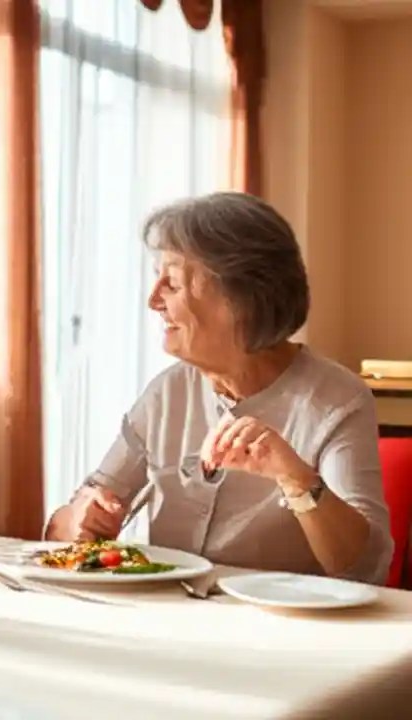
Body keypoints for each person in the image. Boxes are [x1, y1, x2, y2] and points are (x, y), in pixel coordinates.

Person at [46, 192, 392, 585]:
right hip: (171, 622)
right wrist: (80, 519)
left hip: (281, 634)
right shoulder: (167, 392)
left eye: (172, 283)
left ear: (239, 298)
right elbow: (65, 525)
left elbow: (365, 567)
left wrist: (297, 479)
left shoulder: (336, 400)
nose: (152, 300)